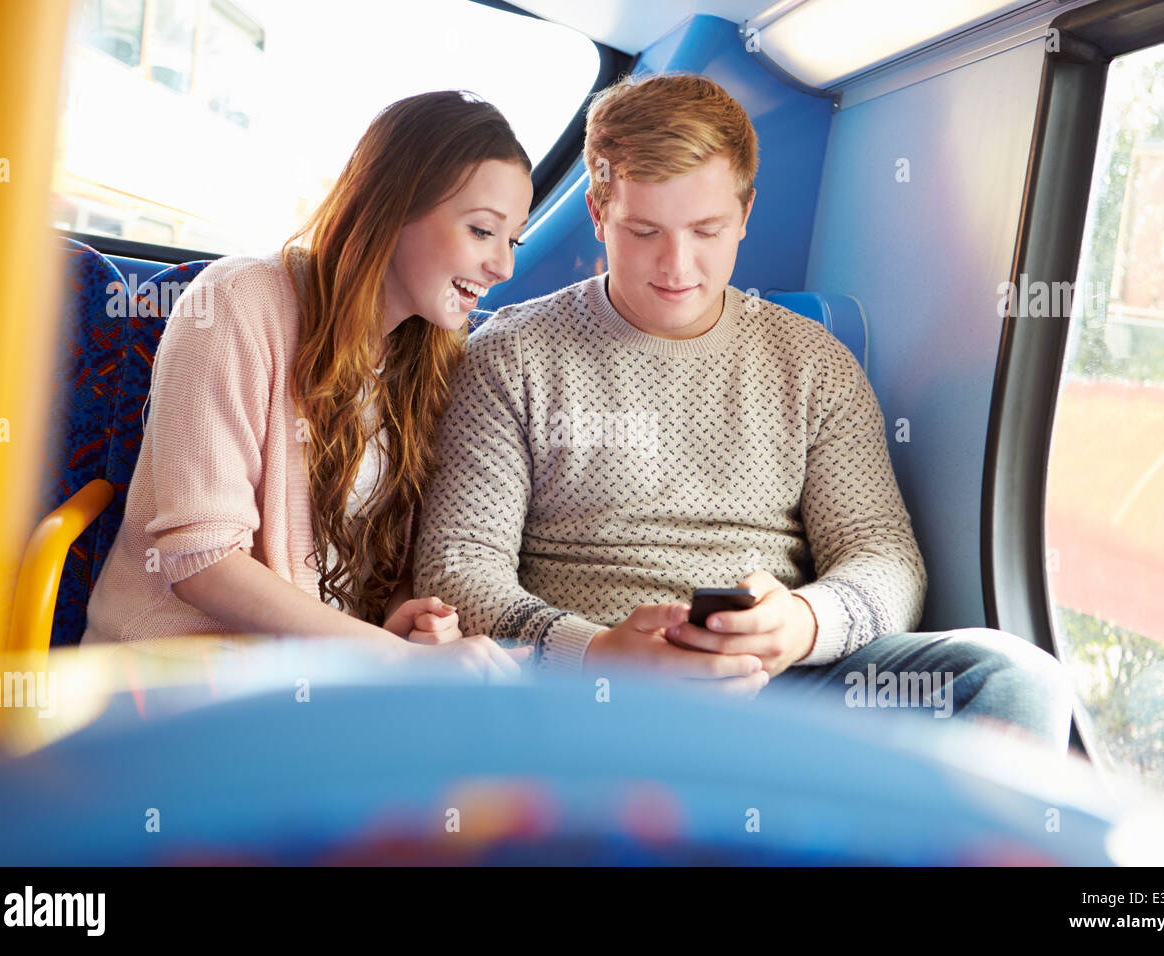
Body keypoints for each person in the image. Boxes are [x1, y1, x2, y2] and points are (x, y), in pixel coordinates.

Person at [412, 74, 1074, 749]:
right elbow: (458, 568)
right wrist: (599, 652)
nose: (677, 265)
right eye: (644, 231)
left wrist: (804, 623)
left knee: (1016, 680)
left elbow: (885, 556)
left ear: (746, 213)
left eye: (707, 230)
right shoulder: (507, 356)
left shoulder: (814, 364)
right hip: (588, 692)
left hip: (787, 688)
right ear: (597, 212)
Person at [83, 91, 533, 682]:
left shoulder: (430, 357)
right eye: (482, 231)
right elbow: (201, 561)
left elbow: (380, 569)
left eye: (514, 241)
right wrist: (391, 657)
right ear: (393, 206)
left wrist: (407, 625)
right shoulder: (235, 304)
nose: (504, 266)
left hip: (314, 683)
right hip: (171, 676)